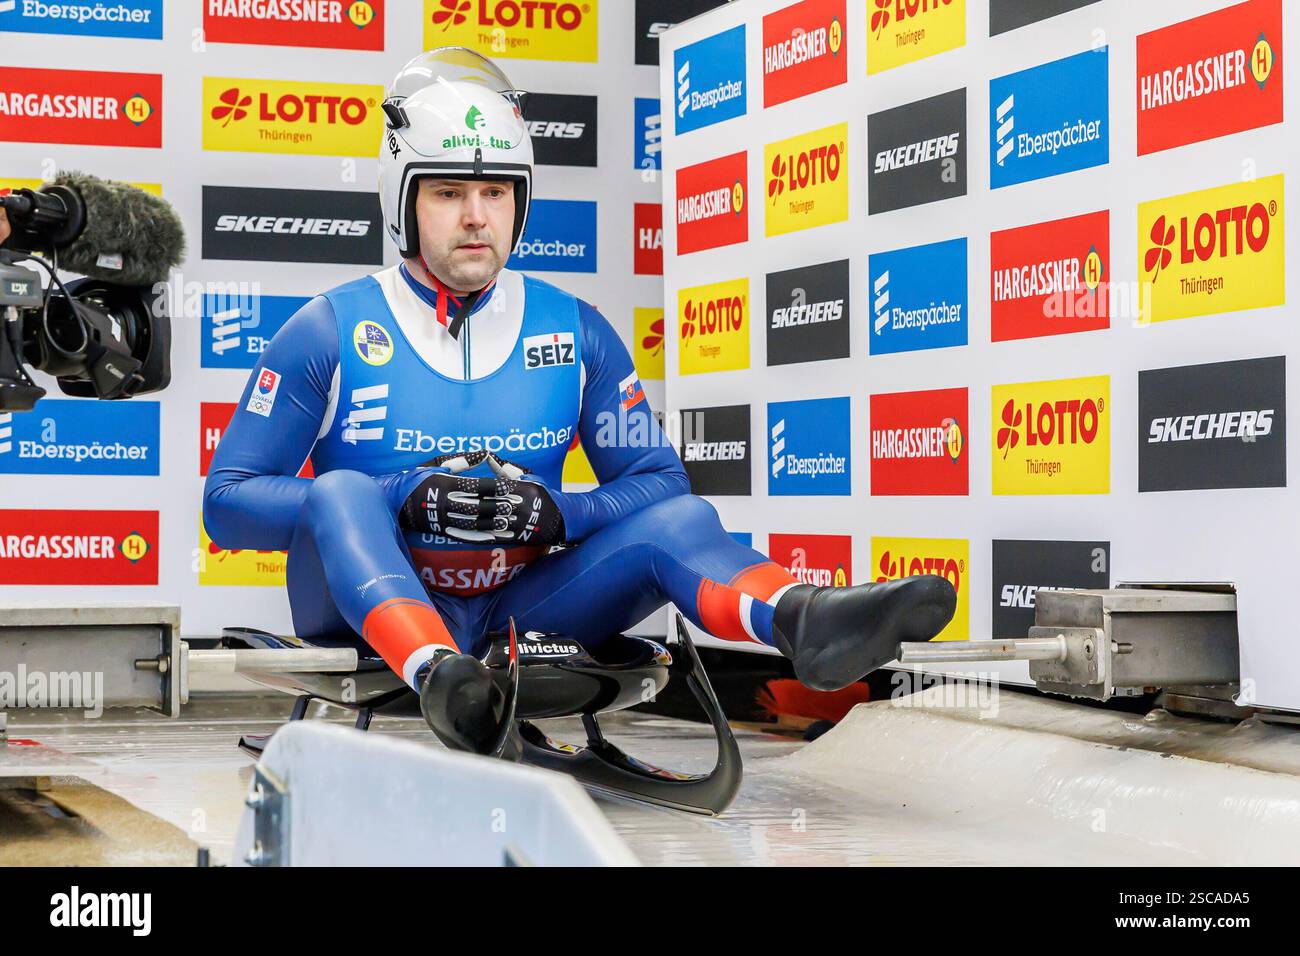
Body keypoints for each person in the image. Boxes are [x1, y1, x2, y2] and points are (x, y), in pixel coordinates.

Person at [203, 48, 956, 753]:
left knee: (682, 521)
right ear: (402, 199)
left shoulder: (575, 331)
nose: (476, 216)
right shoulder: (327, 328)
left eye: (496, 191)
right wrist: (399, 495)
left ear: (520, 201)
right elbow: (227, 503)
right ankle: (440, 676)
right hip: (363, 609)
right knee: (338, 495)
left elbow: (660, 482)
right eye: (449, 192)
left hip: (518, 609)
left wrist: (562, 512)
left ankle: (800, 619)